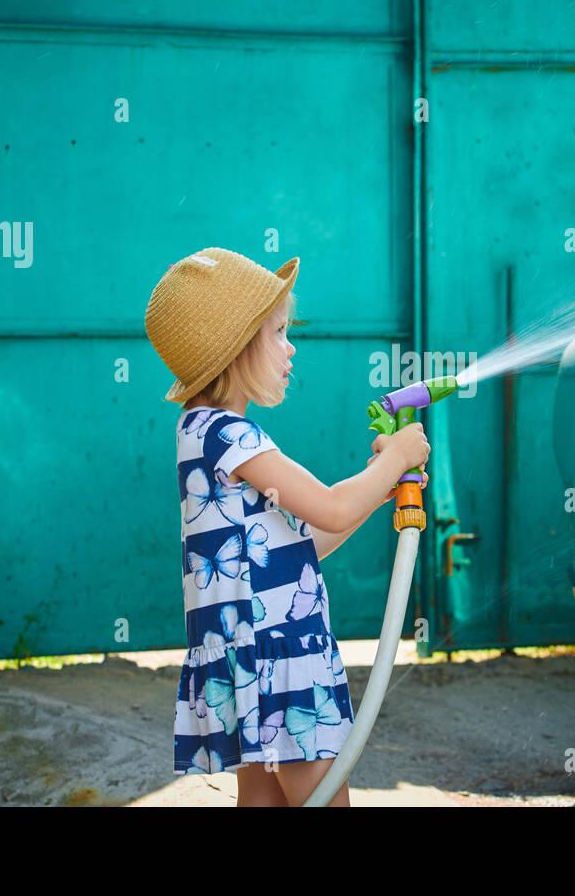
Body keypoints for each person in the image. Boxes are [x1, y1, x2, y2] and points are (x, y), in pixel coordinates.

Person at [144, 247, 431, 806]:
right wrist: (397, 459)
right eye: (277, 332)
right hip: (281, 661)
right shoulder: (233, 437)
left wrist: (376, 484)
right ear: (236, 347)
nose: (290, 346)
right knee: (324, 802)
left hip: (245, 657)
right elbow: (329, 507)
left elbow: (299, 546)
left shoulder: (198, 434)